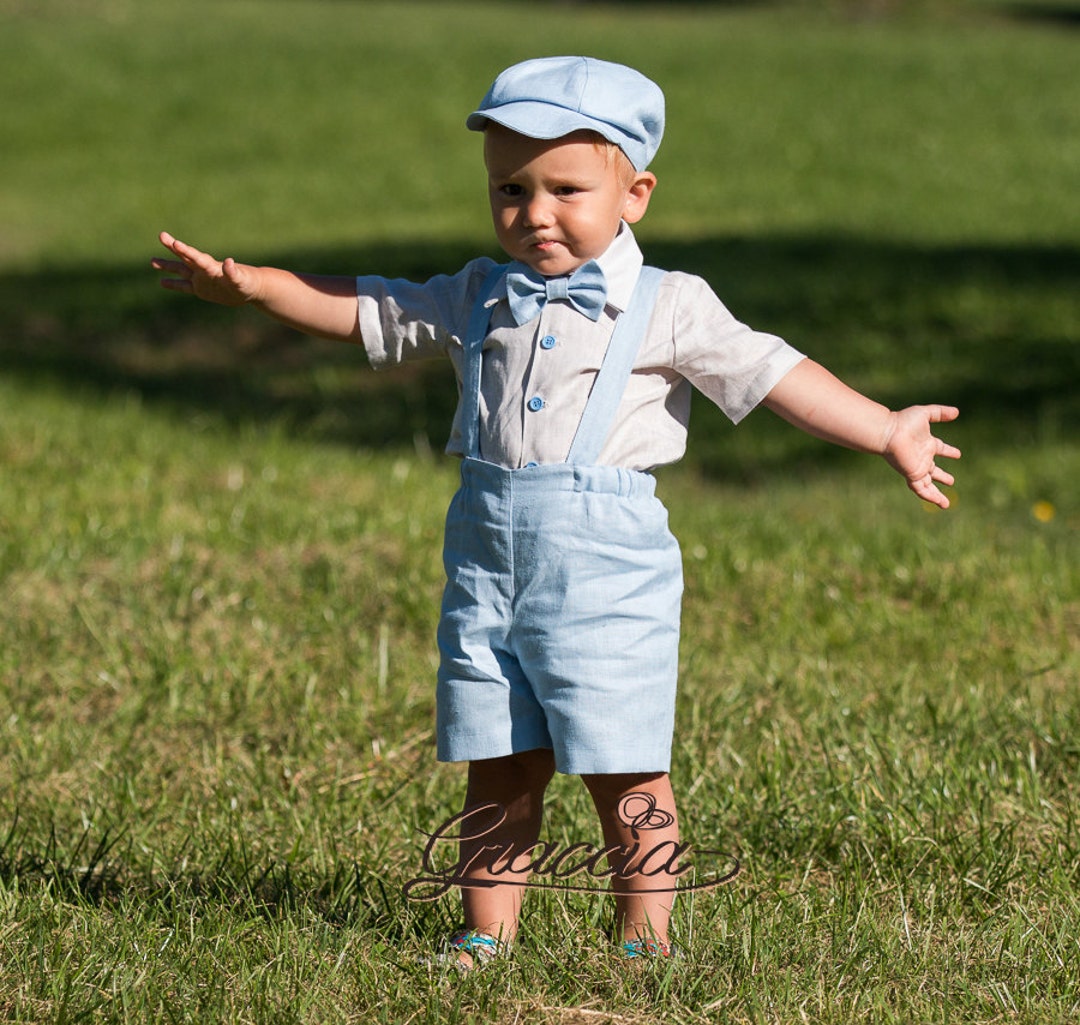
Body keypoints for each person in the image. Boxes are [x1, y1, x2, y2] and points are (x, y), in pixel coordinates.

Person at [152, 55, 960, 967]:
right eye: (509, 188)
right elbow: (369, 309)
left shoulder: (671, 306)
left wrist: (886, 426)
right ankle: (483, 934)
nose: (534, 212)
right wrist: (260, 287)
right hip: (488, 557)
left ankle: (645, 939)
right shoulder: (476, 294)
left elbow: (777, 374)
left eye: (565, 189)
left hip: (607, 563)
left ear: (635, 193)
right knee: (498, 757)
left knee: (626, 762)